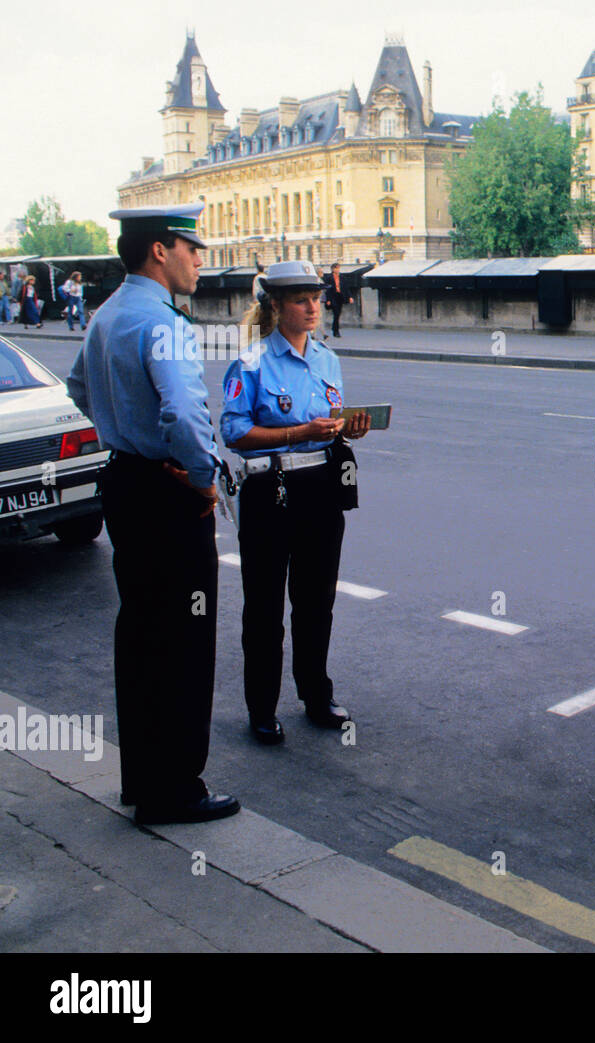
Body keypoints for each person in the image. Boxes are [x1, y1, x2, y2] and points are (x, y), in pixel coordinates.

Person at [66, 203, 240, 827]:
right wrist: (199, 478)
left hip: (124, 486)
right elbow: (187, 418)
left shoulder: (108, 314)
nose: (200, 258)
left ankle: (141, 778)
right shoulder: (166, 323)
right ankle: (177, 790)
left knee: (140, 635)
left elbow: (78, 388)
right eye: (192, 246)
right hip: (168, 496)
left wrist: (127, 434)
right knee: (185, 641)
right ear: (160, 250)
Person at [221, 260, 370, 745]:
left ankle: (315, 693)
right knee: (264, 607)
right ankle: (262, 708)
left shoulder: (328, 359)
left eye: (317, 298)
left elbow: (328, 419)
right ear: (276, 306)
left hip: (321, 488)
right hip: (271, 490)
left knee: (316, 602)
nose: (313, 308)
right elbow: (235, 431)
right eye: (302, 300)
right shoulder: (251, 363)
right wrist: (296, 433)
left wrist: (346, 427)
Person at [322, 262, 352, 339]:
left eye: (338, 268)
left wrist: (350, 297)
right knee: (336, 313)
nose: (337, 270)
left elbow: (346, 288)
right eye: (336, 268)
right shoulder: (329, 277)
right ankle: (336, 331)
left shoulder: (342, 277)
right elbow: (328, 289)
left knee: (338, 314)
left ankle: (335, 328)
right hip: (333, 297)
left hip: (340, 296)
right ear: (332, 269)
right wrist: (328, 299)